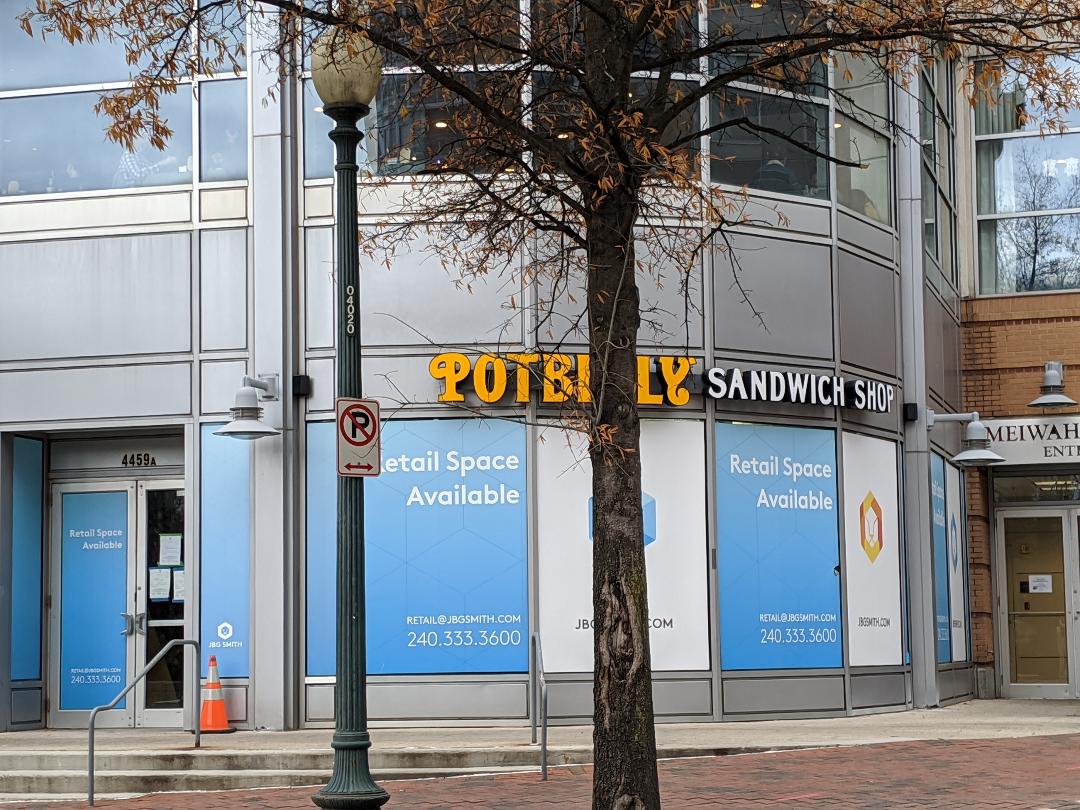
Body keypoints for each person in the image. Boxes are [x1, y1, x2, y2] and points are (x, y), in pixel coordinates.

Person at [112, 139, 177, 187]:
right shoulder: (128, 154)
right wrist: (162, 164)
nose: (145, 141)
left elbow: (149, 171)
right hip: (132, 192)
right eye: (142, 139)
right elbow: (137, 174)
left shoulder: (140, 156)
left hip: (141, 190)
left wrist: (166, 163)